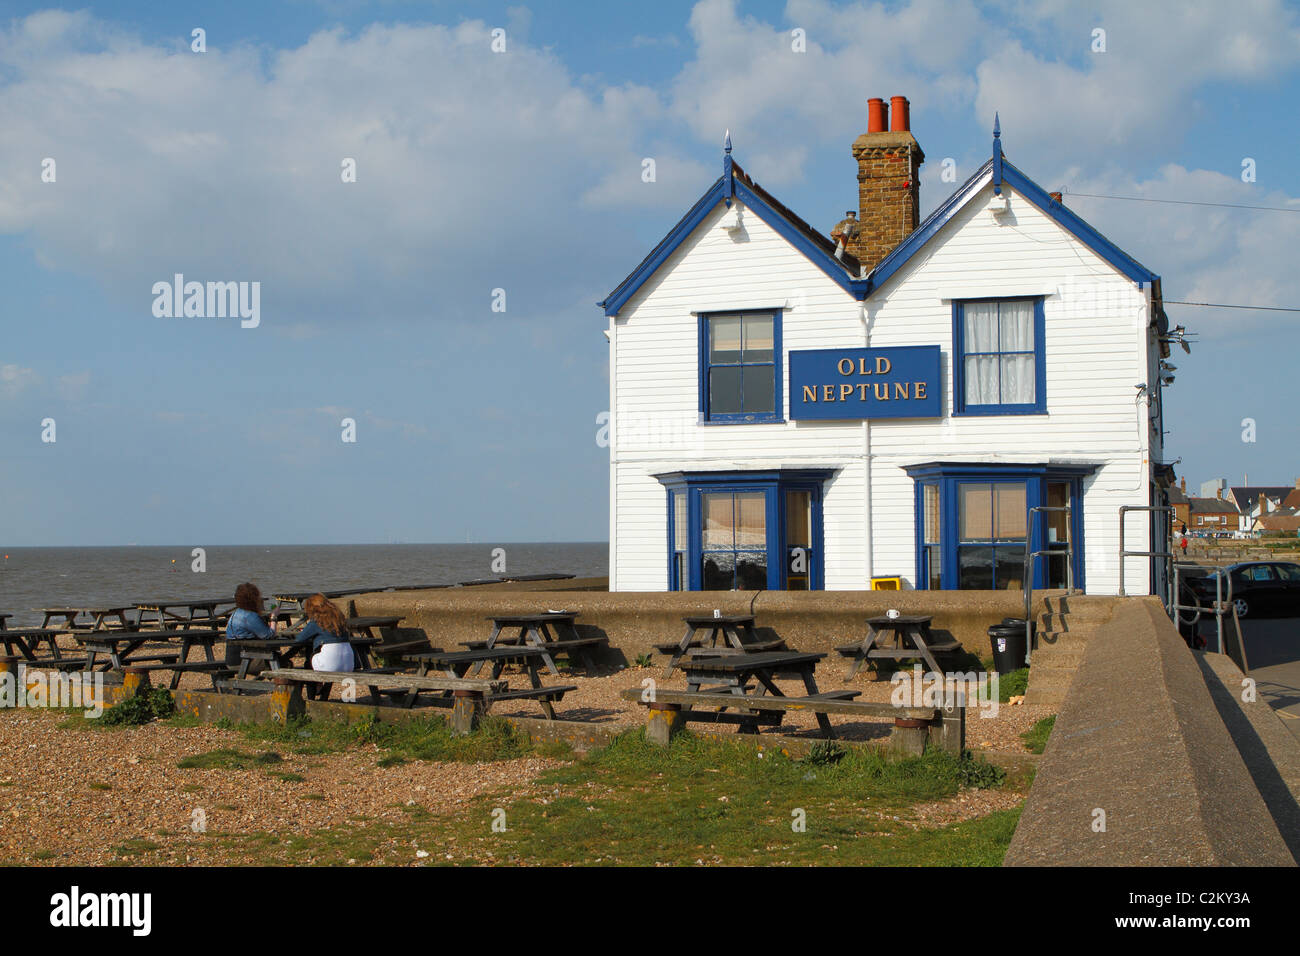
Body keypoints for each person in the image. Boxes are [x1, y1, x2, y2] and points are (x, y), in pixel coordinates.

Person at [295, 593, 355, 672]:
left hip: (329, 666)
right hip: (349, 665)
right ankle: (321, 684)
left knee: (310, 654)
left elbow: (300, 639)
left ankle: (312, 683)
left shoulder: (317, 621)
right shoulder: (339, 619)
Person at [225, 582, 276, 669]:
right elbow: (269, 635)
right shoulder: (250, 616)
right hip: (244, 662)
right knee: (280, 661)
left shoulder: (235, 613)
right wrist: (274, 617)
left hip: (231, 661)